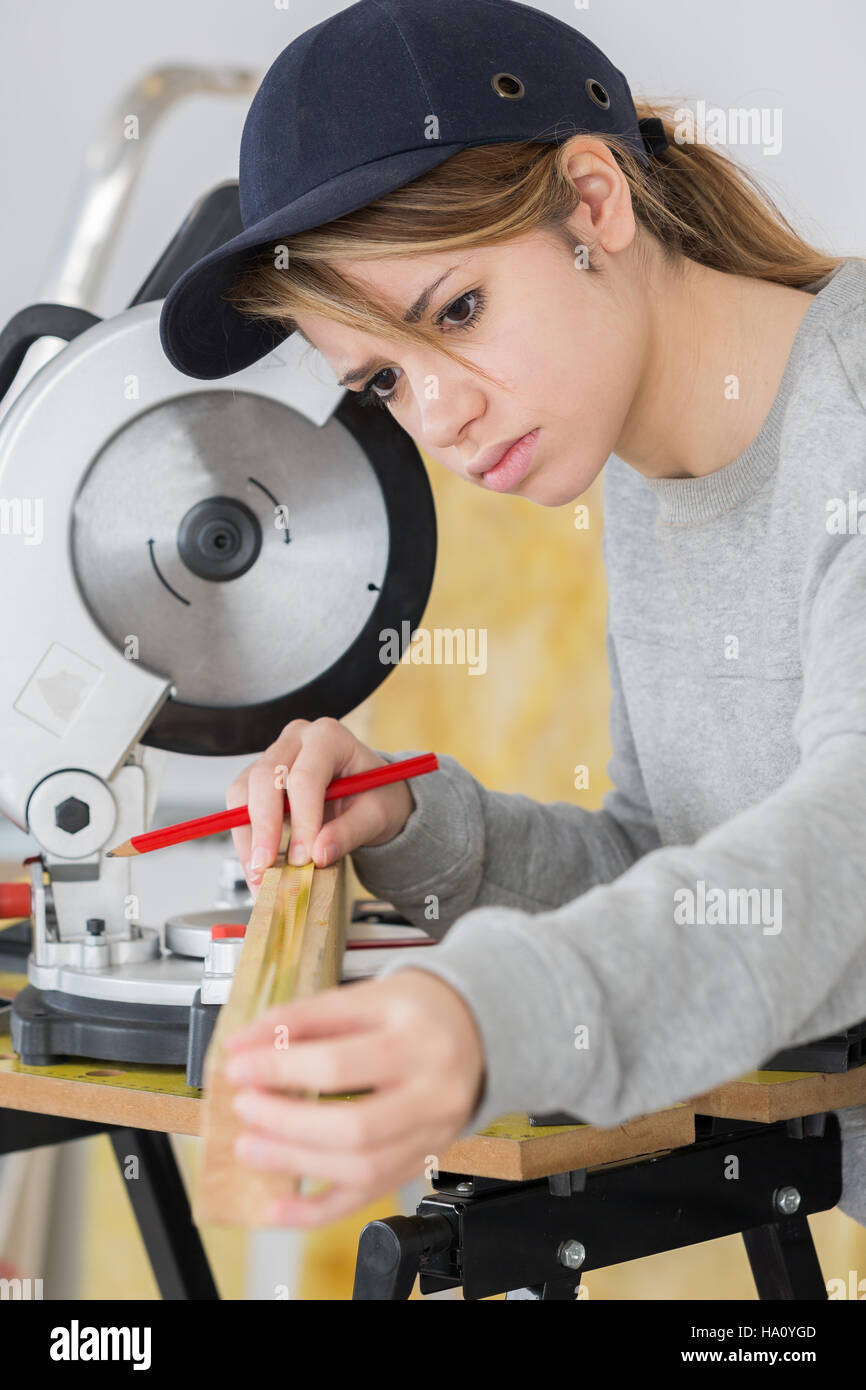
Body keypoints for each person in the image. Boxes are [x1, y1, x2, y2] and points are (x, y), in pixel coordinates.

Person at [159, 0, 866, 1231]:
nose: (435, 417)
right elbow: (670, 861)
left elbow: (840, 856)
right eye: (381, 379)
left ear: (594, 203)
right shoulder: (651, 484)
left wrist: (483, 1016)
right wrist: (418, 826)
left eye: (455, 313)